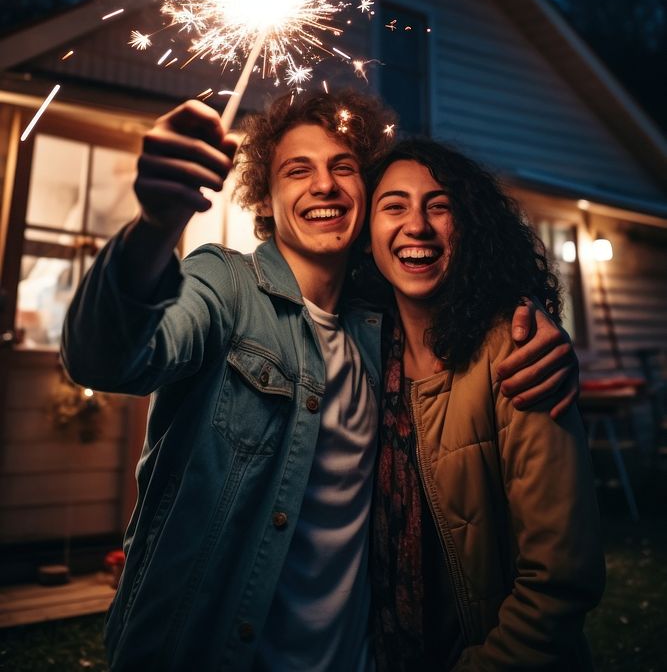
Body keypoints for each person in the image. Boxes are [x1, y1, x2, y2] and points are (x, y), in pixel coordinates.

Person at [62, 91, 578, 672]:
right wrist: (155, 225)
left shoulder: (380, 330)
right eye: (297, 170)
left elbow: (452, 291)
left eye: (343, 168)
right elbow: (106, 359)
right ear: (265, 195)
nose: (324, 186)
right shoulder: (224, 286)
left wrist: (534, 321)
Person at [366, 139, 605, 671]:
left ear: (469, 225)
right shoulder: (361, 357)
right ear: (366, 237)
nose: (418, 225)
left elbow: (560, 579)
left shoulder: (518, 351)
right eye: (394, 205)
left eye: (440, 204)